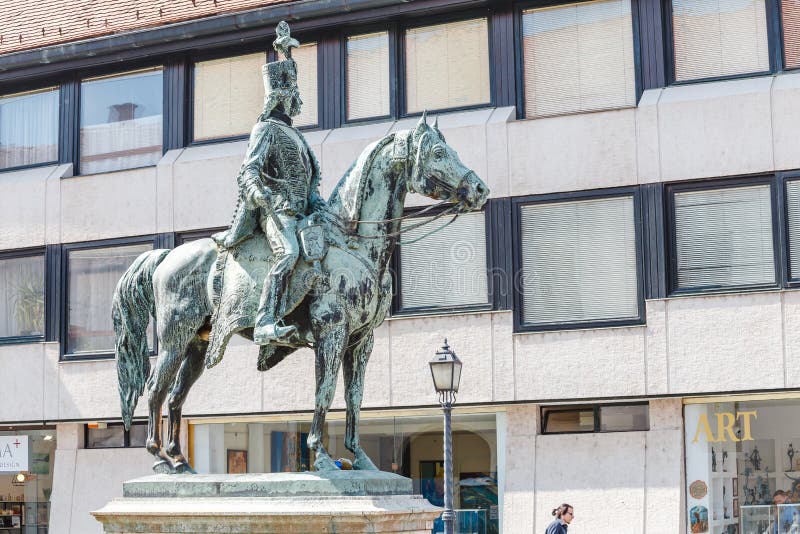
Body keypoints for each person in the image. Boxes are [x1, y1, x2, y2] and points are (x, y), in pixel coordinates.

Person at [216, 21, 326, 344]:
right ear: (280, 96)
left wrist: (320, 205)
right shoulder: (264, 129)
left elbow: (309, 184)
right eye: (293, 92)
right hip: (275, 212)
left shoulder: (297, 135)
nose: (297, 98)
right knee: (288, 253)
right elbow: (247, 172)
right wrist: (258, 193)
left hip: (302, 214)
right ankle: (264, 321)